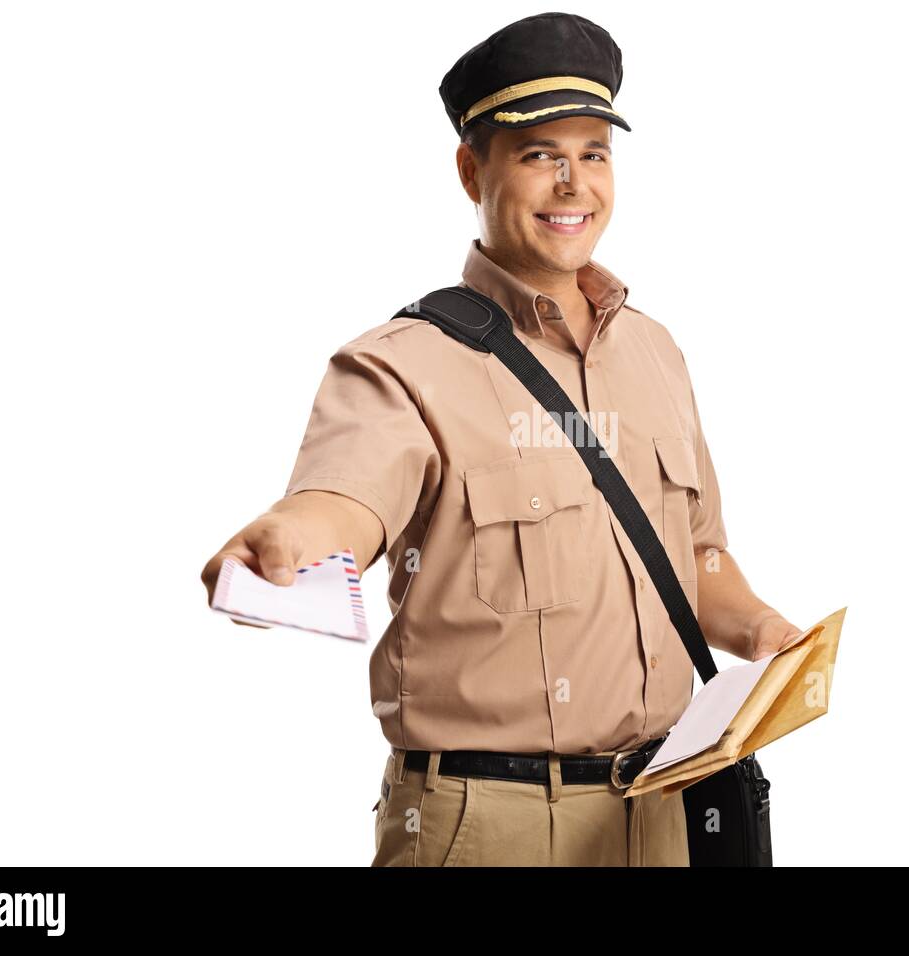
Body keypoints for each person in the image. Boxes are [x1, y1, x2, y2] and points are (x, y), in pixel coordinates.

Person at [200, 11, 804, 867]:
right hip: (489, 826)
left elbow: (696, 559)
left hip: (663, 812)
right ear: (469, 169)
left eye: (593, 153)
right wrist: (292, 537)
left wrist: (767, 634)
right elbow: (344, 501)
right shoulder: (403, 366)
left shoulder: (657, 353)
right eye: (539, 155)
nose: (574, 183)